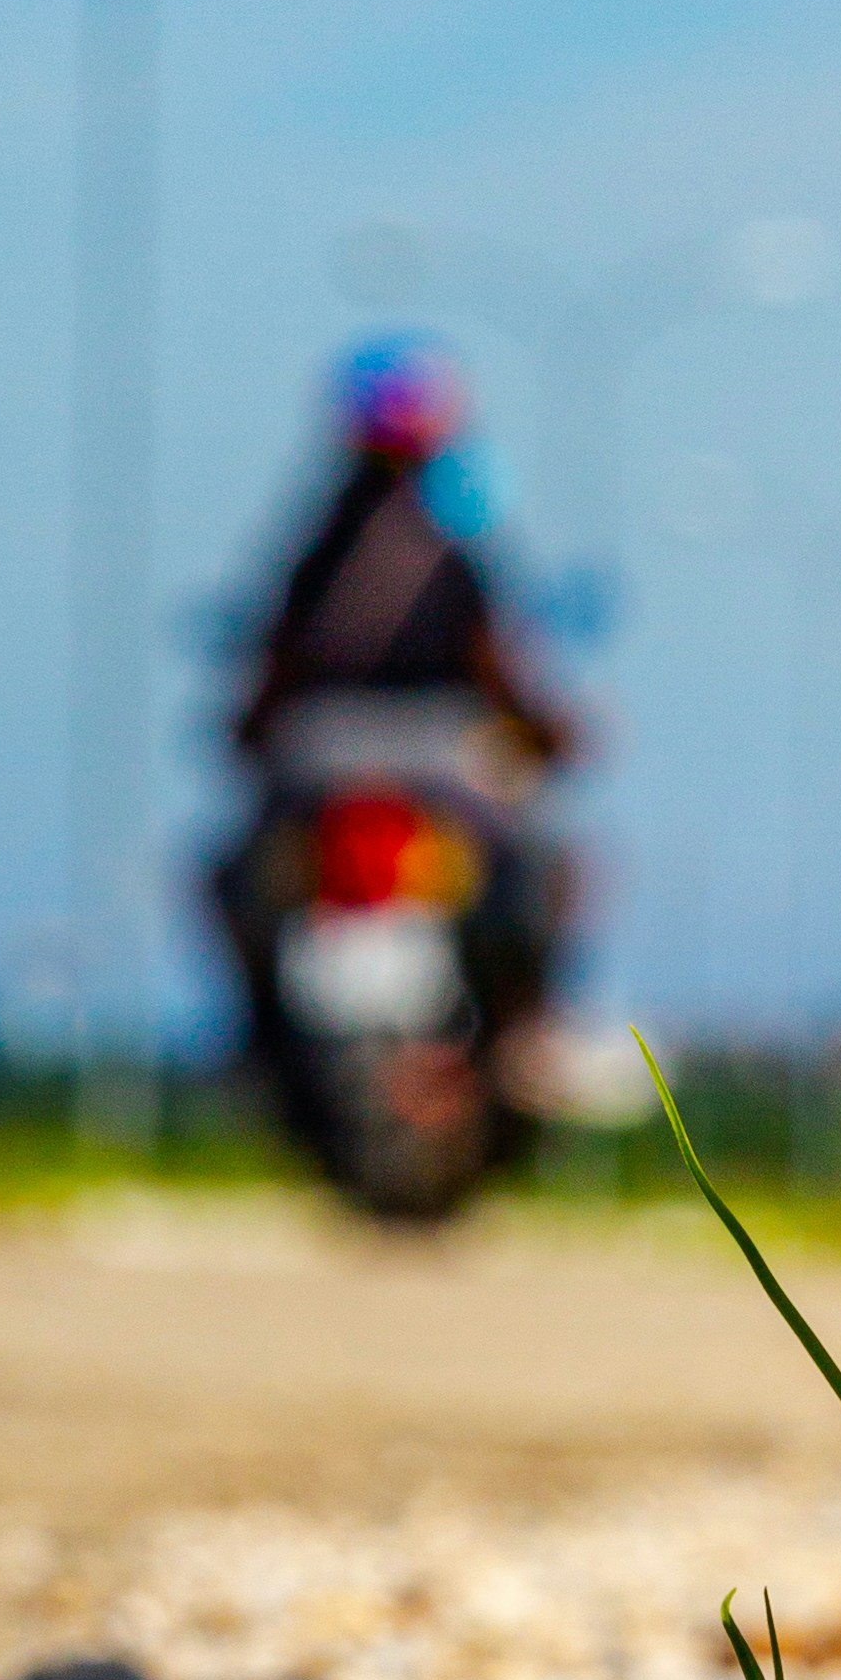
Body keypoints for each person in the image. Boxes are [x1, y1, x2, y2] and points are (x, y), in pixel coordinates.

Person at [214, 343, 579, 1133]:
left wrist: (247, 726)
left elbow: (272, 656)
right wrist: (547, 730)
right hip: (440, 758)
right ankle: (524, 1030)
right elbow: (497, 661)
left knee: (228, 877)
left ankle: (252, 1040)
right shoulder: (453, 537)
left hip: (317, 755)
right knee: (543, 869)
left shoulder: (314, 540)